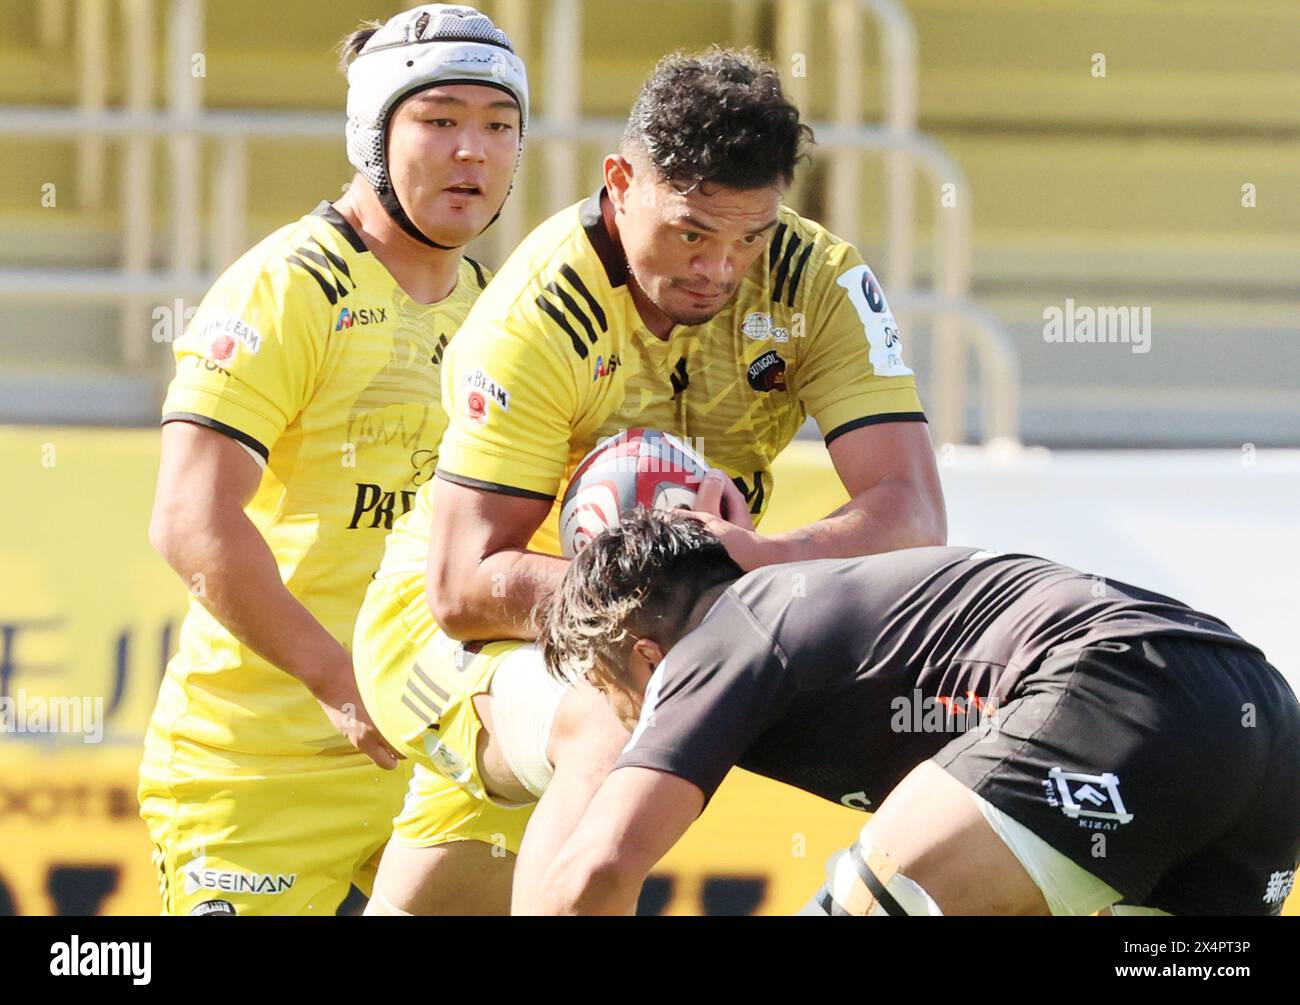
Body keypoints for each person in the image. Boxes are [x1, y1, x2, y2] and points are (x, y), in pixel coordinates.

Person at [353, 48, 947, 915]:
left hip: (663, 632)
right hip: (470, 636)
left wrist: (757, 556)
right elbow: (461, 585)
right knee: (603, 726)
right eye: (691, 231)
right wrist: (668, 593)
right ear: (621, 180)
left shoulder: (820, 280)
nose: (720, 266)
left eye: (751, 234)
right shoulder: (535, 315)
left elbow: (914, 511)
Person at [138, 4, 528, 916]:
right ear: (371, 131)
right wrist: (340, 683)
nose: (472, 149)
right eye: (439, 120)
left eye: (498, 124)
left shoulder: (500, 307)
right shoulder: (287, 286)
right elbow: (190, 520)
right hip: (256, 767)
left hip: (431, 748)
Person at [526, 508, 1300, 917]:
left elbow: (591, 877)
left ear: (644, 658)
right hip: (1260, 714)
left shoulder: (727, 627)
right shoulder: (809, 608)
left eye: (611, 691)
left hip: (1111, 688)